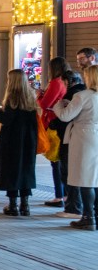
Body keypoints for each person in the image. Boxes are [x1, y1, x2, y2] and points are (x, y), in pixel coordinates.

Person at [51, 65, 98, 230]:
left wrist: (59, 105)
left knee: (85, 179)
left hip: (84, 138)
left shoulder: (82, 96)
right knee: (95, 178)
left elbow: (65, 116)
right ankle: (95, 215)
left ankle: (88, 217)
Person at [0, 69, 39, 217]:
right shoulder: (30, 97)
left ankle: (13, 205)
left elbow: (7, 120)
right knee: (26, 169)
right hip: (28, 139)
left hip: (11, 140)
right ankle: (25, 205)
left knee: (11, 170)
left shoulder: (11, 98)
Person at [51, 71, 86, 218]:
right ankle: (79, 207)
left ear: (67, 81)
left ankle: (73, 208)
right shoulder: (86, 93)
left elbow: (64, 117)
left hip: (71, 138)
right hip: (82, 138)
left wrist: (57, 107)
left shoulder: (74, 95)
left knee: (69, 173)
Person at [38, 57, 70, 209]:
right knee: (60, 161)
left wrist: (39, 95)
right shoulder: (65, 82)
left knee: (55, 160)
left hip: (53, 123)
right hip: (63, 123)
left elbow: (45, 104)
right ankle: (64, 194)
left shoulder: (56, 82)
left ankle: (60, 195)